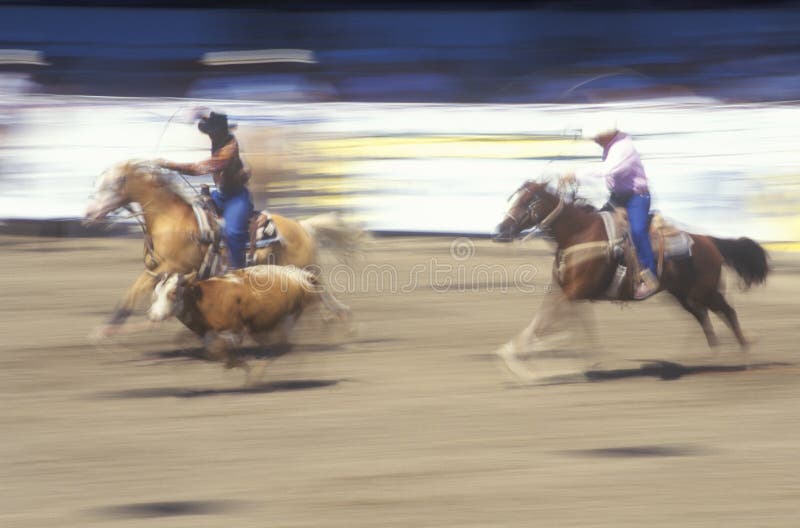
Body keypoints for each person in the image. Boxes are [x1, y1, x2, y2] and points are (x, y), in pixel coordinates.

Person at [560, 118, 659, 300]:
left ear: (607, 134)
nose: (595, 140)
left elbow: (608, 170)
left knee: (637, 231)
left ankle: (650, 275)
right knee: (596, 227)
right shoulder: (612, 145)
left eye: (597, 137)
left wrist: (575, 173)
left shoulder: (623, 148)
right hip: (618, 197)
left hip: (637, 198)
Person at [157, 111, 253, 269]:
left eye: (212, 132)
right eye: (209, 132)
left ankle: (238, 270)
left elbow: (200, 168)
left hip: (236, 198)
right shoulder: (219, 140)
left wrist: (169, 164)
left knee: (232, 232)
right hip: (220, 195)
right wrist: (200, 114)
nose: (210, 135)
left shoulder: (229, 148)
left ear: (220, 132)